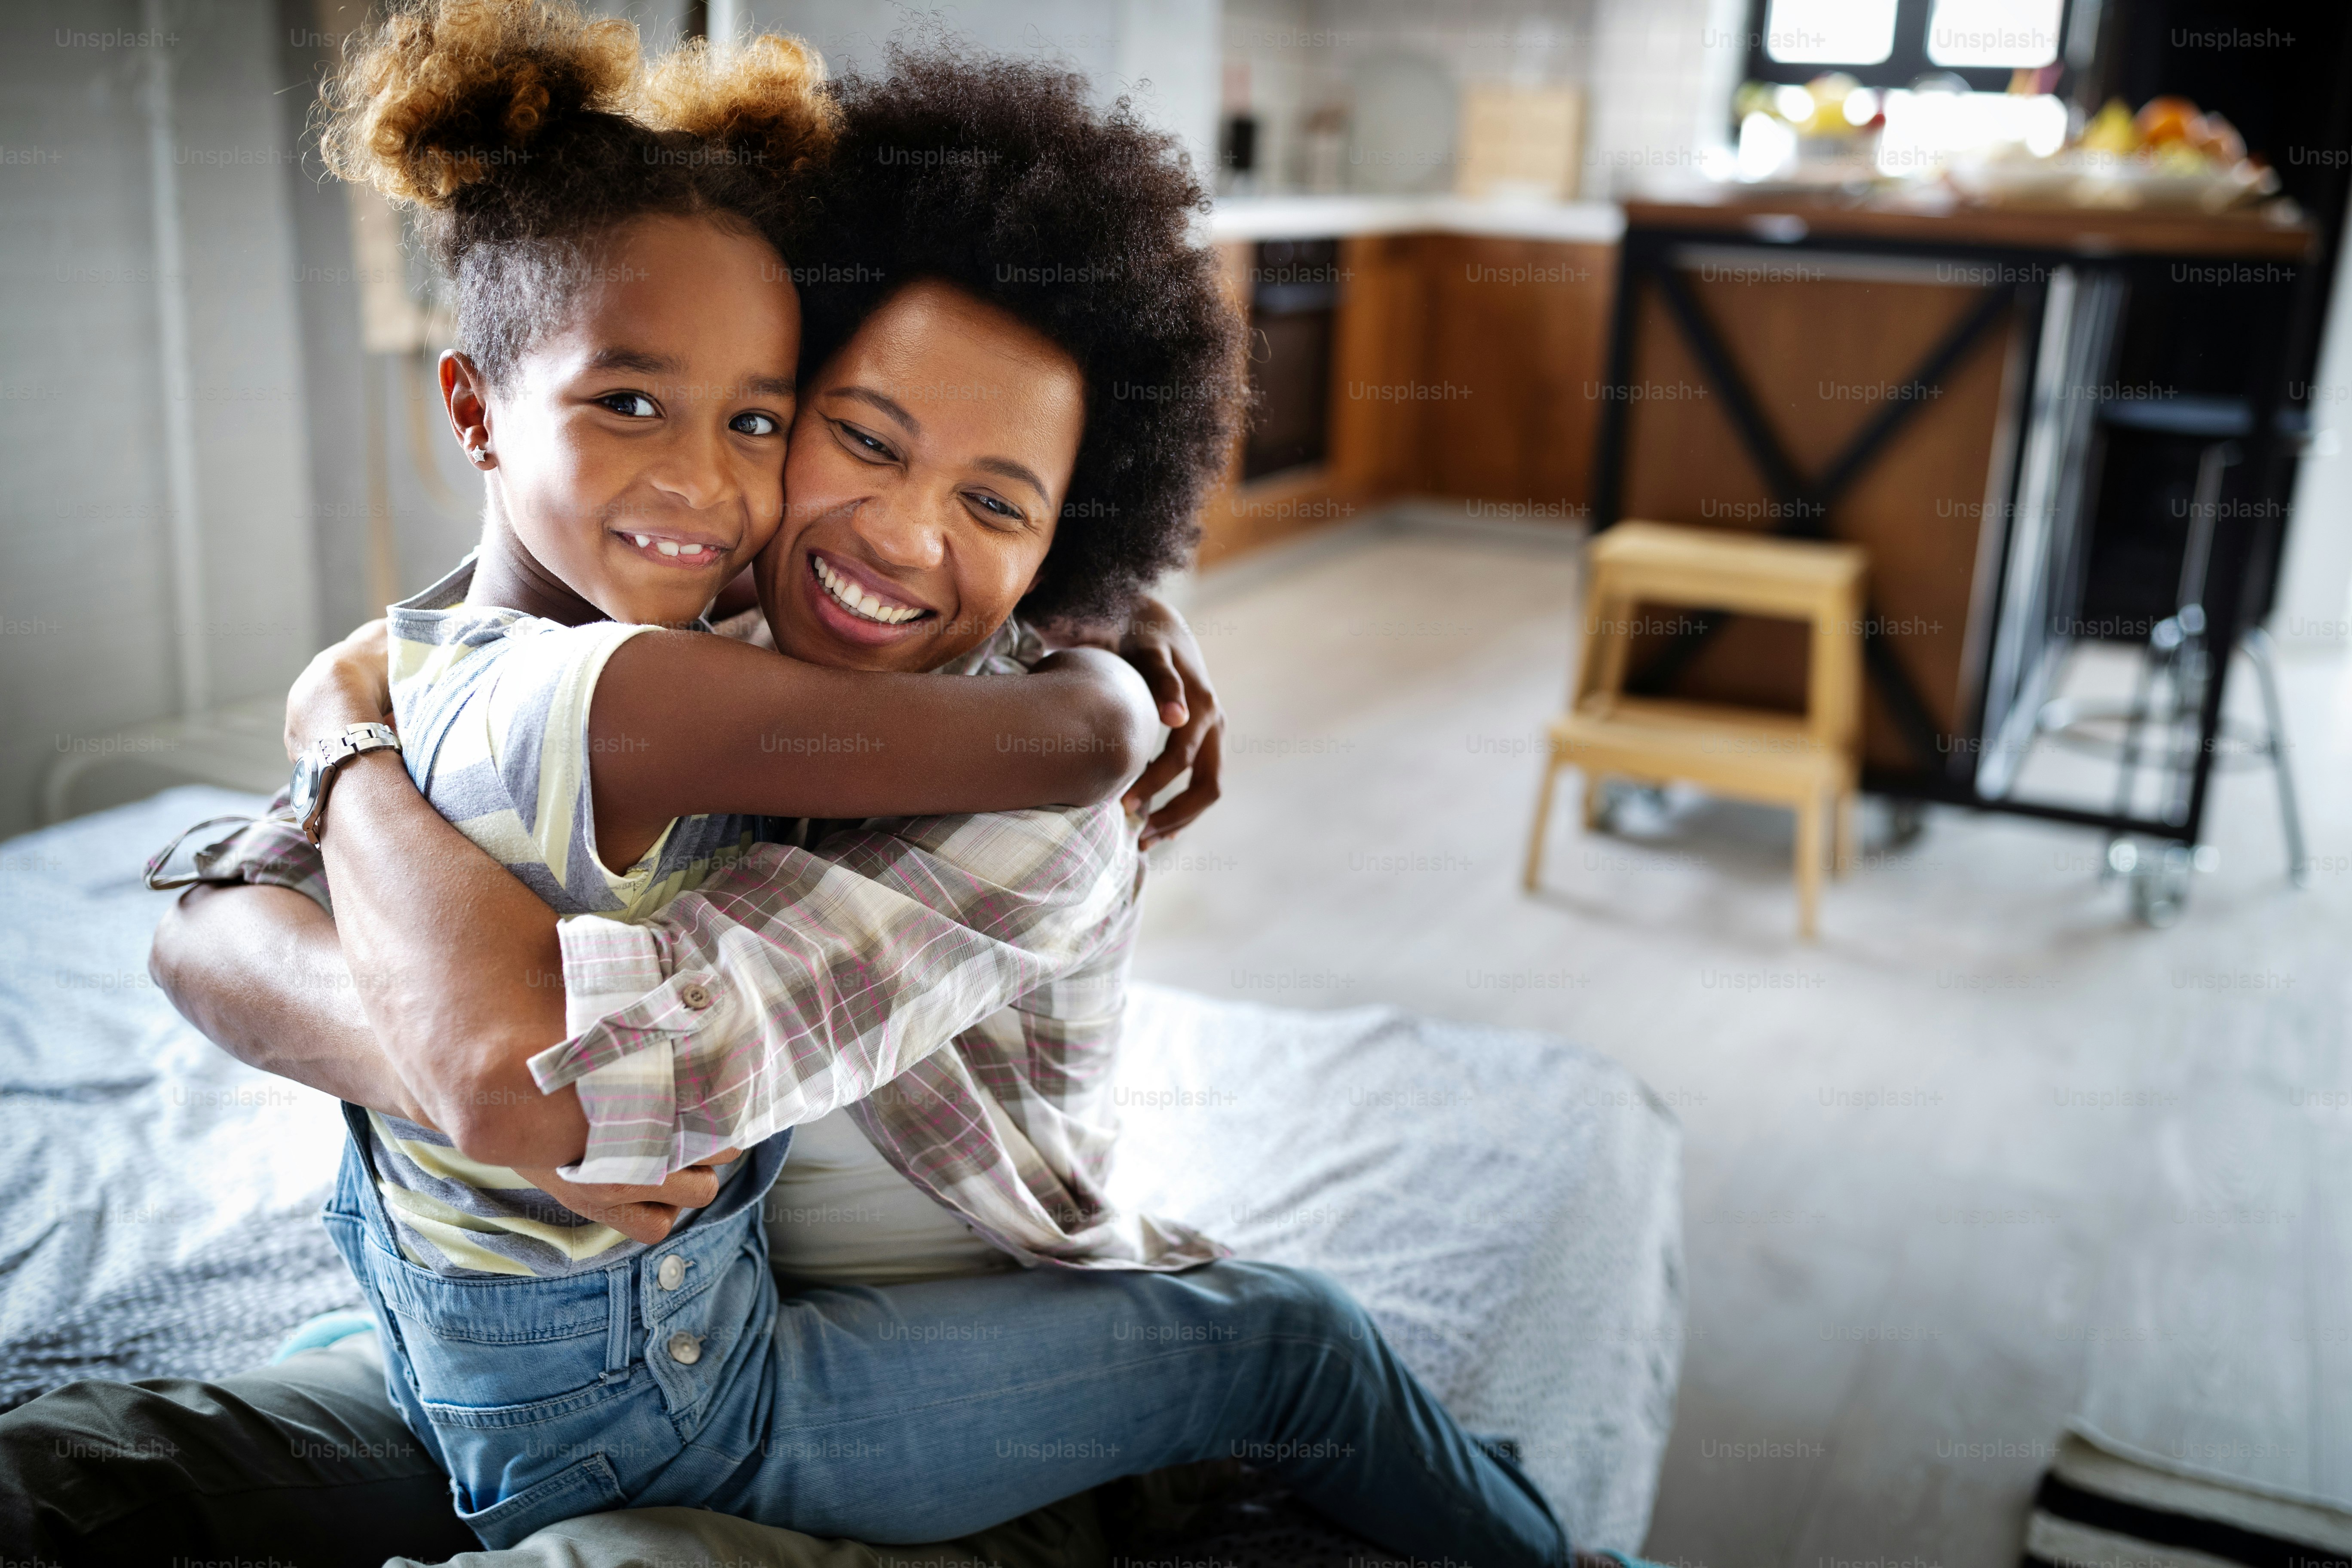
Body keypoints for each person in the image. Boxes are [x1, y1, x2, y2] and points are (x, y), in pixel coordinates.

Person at [6, 8, 1598, 1566]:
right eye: (857, 436)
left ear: (1069, 546)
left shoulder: (1025, 799)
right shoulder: (683, 619)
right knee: (116, 1466)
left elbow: (566, 1081)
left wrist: (364, 794)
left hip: (921, 1367)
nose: (903, 538)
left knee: (621, 1544)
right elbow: (205, 929)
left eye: (998, 501)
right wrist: (414, 969)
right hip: (659, 1311)